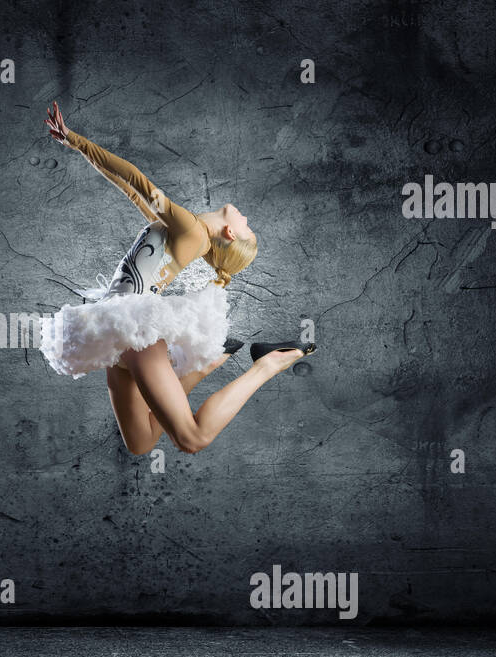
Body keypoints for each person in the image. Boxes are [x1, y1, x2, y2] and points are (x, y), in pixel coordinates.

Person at [39, 101, 314, 455]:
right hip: (115, 326)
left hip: (132, 328)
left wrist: (76, 139)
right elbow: (129, 187)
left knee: (192, 439)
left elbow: (137, 177)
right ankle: (213, 361)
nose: (247, 217)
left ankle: (267, 365)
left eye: (249, 227)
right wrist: (75, 147)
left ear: (230, 233)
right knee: (141, 444)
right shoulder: (180, 230)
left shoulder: (191, 229)